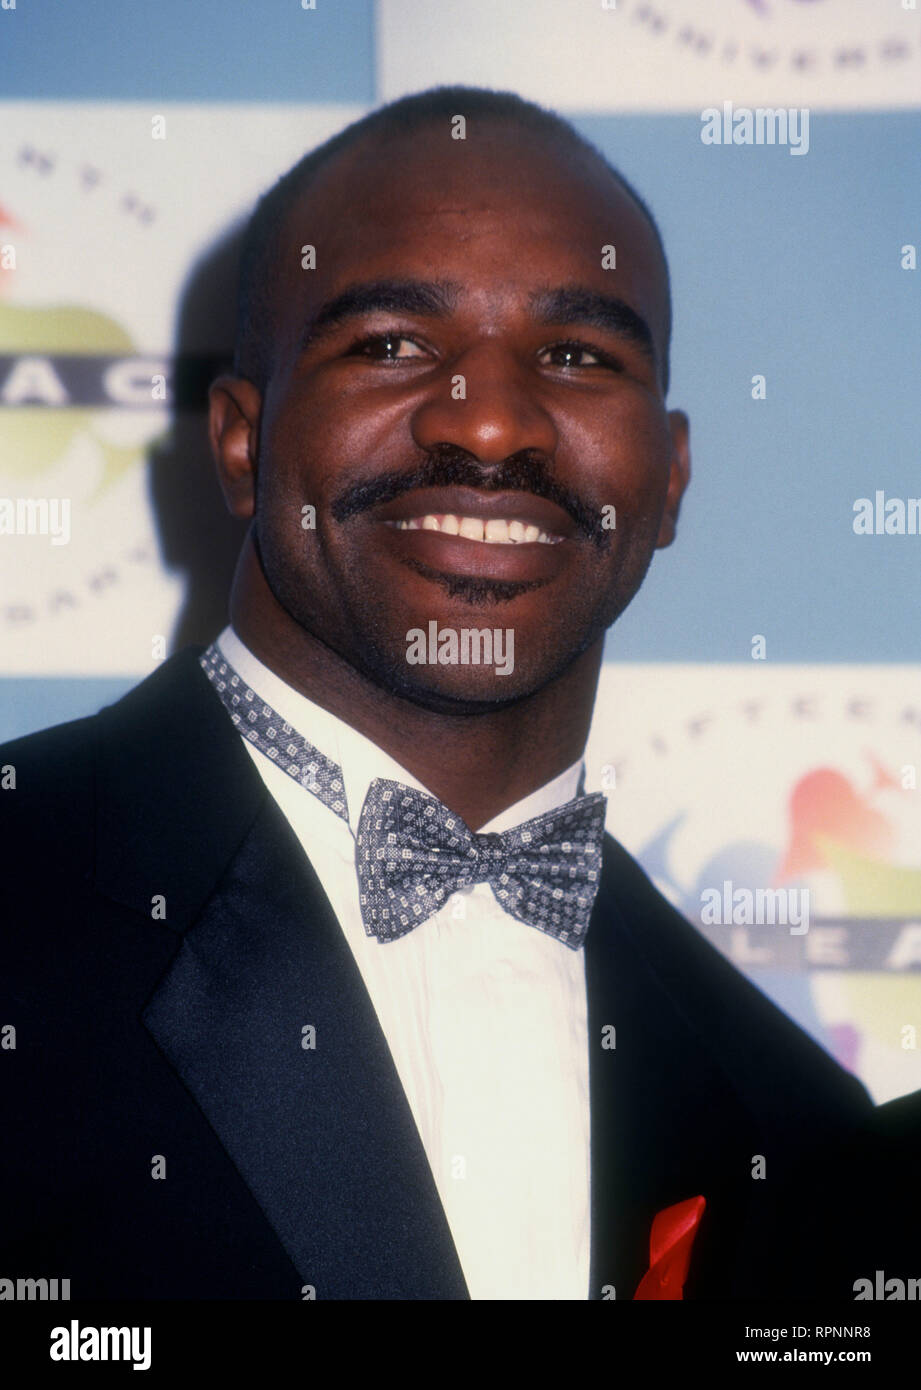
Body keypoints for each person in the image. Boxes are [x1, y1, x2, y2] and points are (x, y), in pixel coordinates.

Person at [0, 86, 871, 1301]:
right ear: (243, 442)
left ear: (669, 480)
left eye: (576, 355)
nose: (496, 421)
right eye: (393, 344)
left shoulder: (797, 1126)